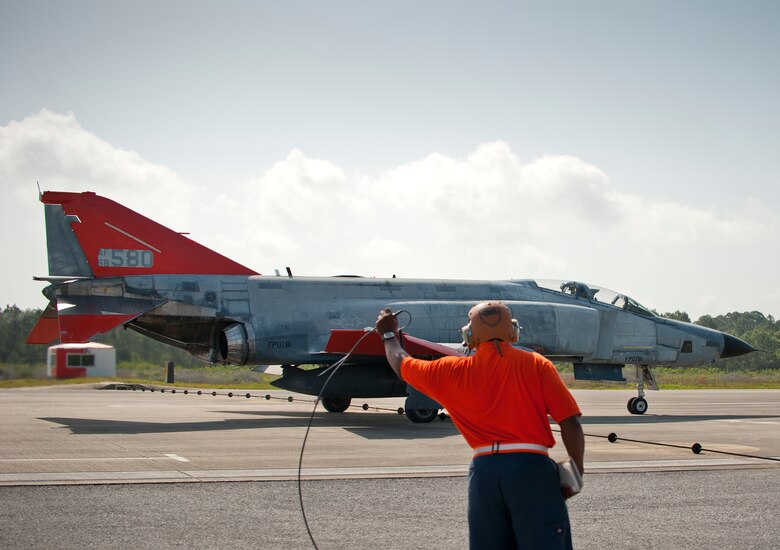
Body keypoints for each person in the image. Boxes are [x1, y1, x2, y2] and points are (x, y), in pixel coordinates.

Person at [376, 302, 585, 550]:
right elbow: (570, 422)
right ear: (514, 331)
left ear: (469, 335)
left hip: (484, 473)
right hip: (532, 469)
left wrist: (388, 334)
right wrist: (576, 472)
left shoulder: (450, 370)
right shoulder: (537, 364)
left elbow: (400, 362)